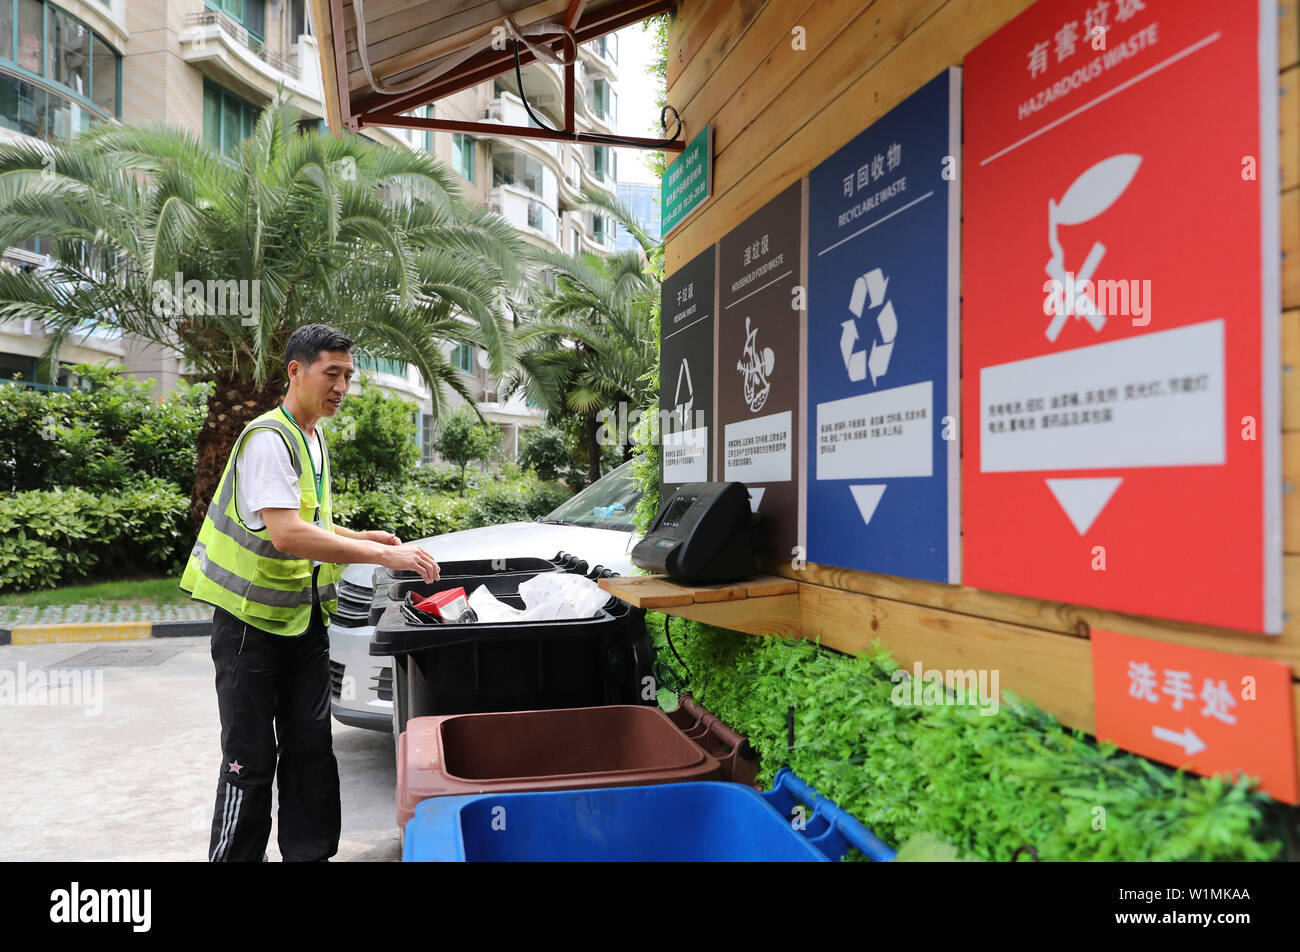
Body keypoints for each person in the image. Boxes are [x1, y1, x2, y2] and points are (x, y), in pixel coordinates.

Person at [180, 324, 440, 861]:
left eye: (348, 375)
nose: (342, 386)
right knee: (248, 761)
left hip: (301, 625)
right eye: (332, 373)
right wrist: (382, 555)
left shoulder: (312, 437)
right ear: (295, 371)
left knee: (311, 753)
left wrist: (355, 536)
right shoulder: (269, 439)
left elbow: (308, 521)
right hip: (250, 627)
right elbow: (287, 534)